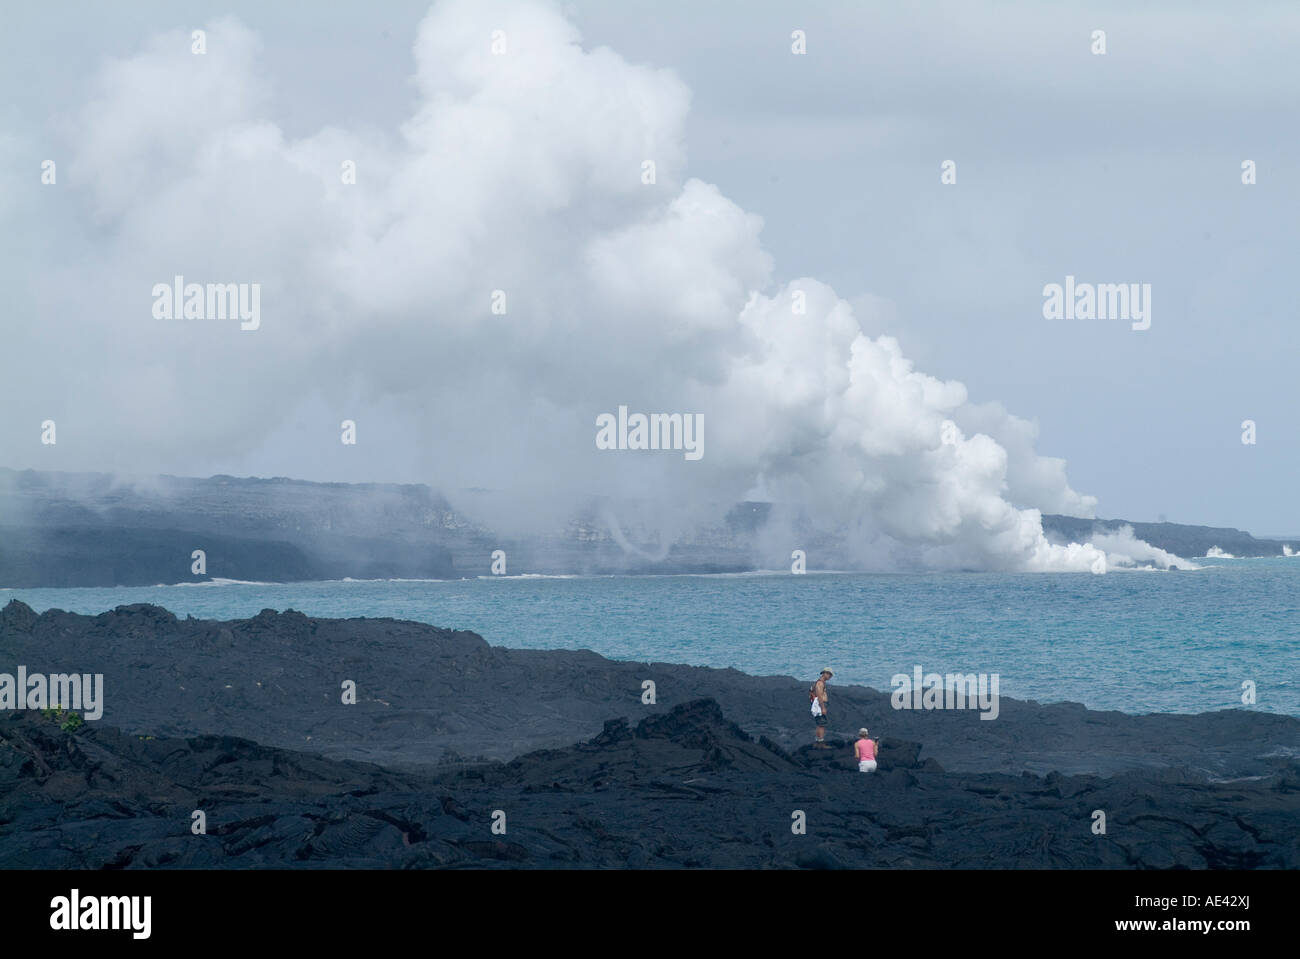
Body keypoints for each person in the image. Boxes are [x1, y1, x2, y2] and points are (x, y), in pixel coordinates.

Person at [811, 668, 833, 747]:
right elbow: (819, 696)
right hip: (820, 705)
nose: (830, 676)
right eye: (829, 674)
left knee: (819, 724)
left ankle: (817, 741)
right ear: (824, 673)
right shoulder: (820, 683)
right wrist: (823, 707)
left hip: (819, 705)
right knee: (822, 724)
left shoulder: (821, 682)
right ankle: (821, 743)